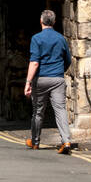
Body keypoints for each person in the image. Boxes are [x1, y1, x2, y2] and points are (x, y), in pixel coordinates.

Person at [24, 9, 72, 154]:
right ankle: (66, 140)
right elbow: (68, 60)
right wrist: (58, 72)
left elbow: (34, 63)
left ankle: (35, 141)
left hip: (41, 80)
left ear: (41, 21)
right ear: (54, 22)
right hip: (57, 79)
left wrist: (28, 82)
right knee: (60, 110)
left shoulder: (36, 38)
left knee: (38, 112)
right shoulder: (61, 39)